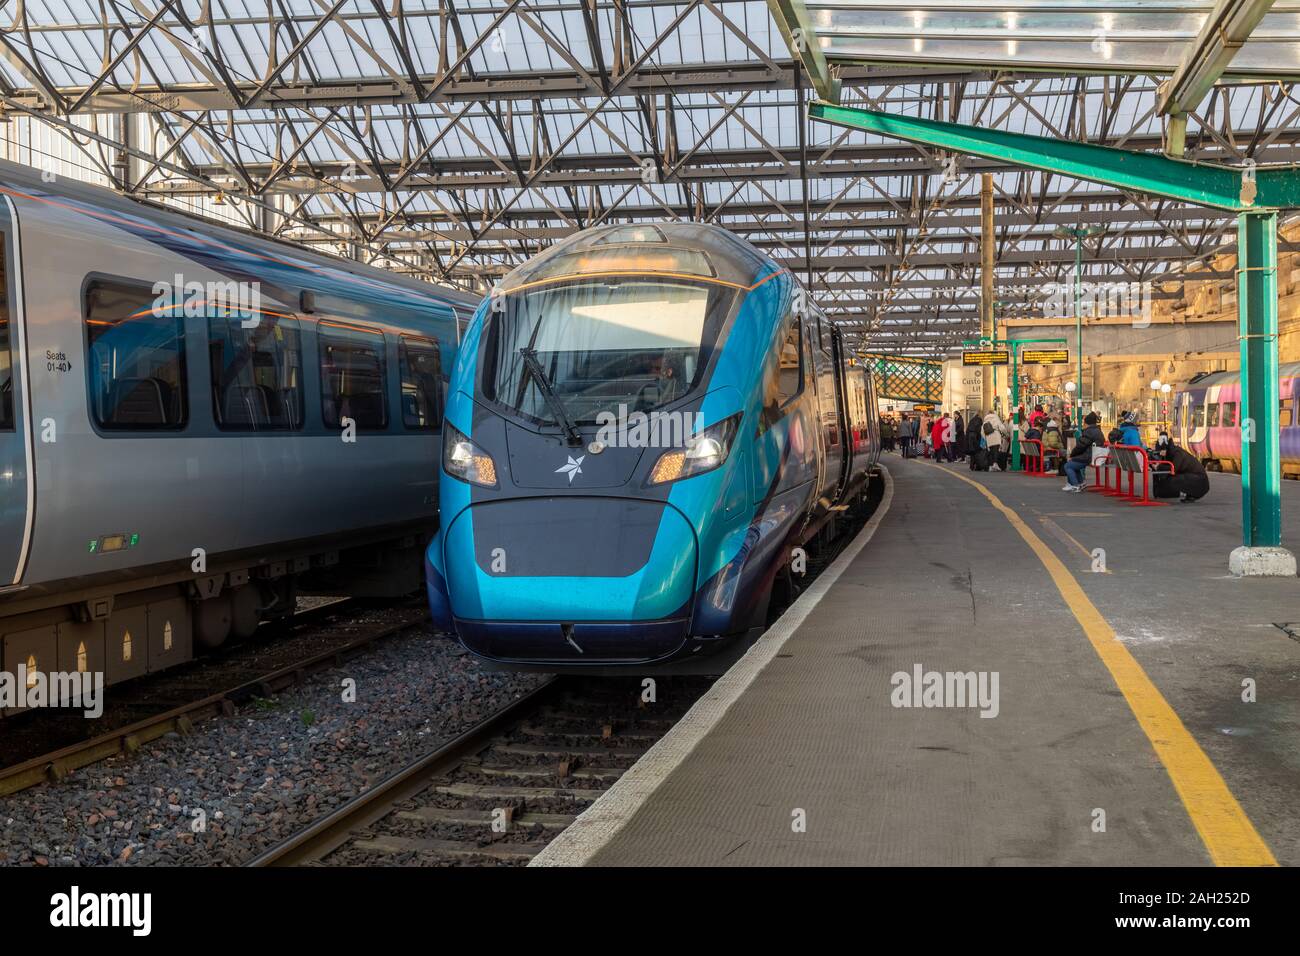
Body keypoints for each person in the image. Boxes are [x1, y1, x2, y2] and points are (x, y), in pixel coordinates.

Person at [1152, 432, 1210, 501]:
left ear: (1165, 449)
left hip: (1201, 481)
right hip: (1196, 478)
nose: (1160, 454)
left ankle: (1186, 493)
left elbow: (1174, 469)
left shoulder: (1177, 453)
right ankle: (1189, 495)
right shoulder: (1172, 452)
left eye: (1161, 452)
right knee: (1171, 479)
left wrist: (1159, 467)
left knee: (1172, 480)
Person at [1063, 411, 1105, 492]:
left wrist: (1072, 455)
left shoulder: (1089, 432)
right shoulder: (1097, 430)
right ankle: (1081, 482)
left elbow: (1080, 446)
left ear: (1087, 423)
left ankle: (1075, 485)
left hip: (1089, 456)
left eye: (1084, 422)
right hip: (1095, 455)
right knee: (1074, 465)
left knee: (1068, 466)